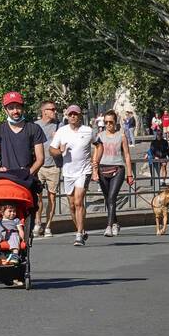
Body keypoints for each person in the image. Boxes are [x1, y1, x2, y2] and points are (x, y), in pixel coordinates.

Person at [0, 91, 45, 231]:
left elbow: (40, 158)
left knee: (27, 211)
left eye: (18, 107)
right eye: (11, 107)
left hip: (26, 177)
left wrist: (28, 173)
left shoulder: (33, 129)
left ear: (22, 107)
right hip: (6, 178)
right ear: (5, 109)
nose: (15, 111)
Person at [50, 105, 97, 246]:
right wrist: (60, 151)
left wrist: (95, 162)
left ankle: (78, 235)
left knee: (78, 202)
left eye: (75, 114)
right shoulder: (61, 131)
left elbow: (98, 145)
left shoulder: (88, 131)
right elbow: (52, 149)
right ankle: (81, 230)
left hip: (84, 171)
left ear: (80, 115)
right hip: (68, 172)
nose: (72, 116)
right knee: (71, 205)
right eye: (70, 114)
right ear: (67, 116)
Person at [92, 110, 134, 236]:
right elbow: (95, 153)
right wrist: (94, 170)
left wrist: (129, 174)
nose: (108, 125)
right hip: (102, 169)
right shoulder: (100, 135)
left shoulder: (121, 136)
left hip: (118, 168)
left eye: (111, 122)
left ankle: (109, 226)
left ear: (115, 122)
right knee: (108, 199)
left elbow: (126, 155)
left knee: (112, 197)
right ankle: (115, 222)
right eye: (106, 122)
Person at [34, 100, 60, 237]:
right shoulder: (35, 126)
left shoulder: (59, 126)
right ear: (44, 111)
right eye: (52, 109)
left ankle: (48, 226)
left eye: (55, 109)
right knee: (37, 197)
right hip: (39, 166)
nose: (55, 111)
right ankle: (38, 223)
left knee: (52, 197)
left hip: (54, 166)